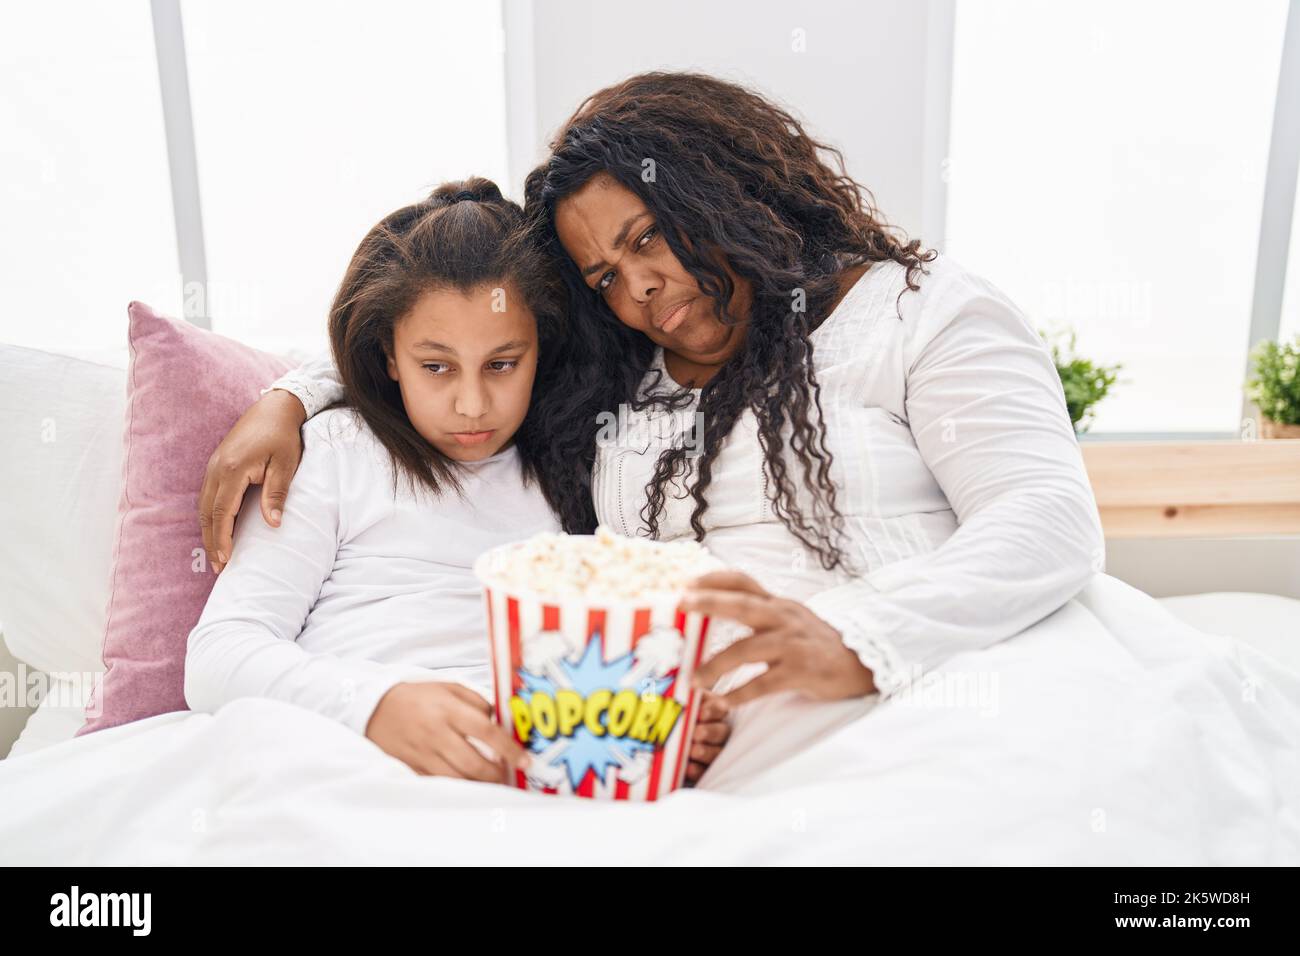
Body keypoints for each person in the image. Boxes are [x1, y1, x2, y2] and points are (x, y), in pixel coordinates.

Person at [185, 175, 732, 784]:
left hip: (524, 764)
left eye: (502, 364)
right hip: (351, 747)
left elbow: (595, 659)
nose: (472, 405)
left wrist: (657, 710)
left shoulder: (584, 464)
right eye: (436, 366)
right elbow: (217, 656)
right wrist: (377, 703)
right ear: (390, 357)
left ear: (542, 351)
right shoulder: (336, 452)